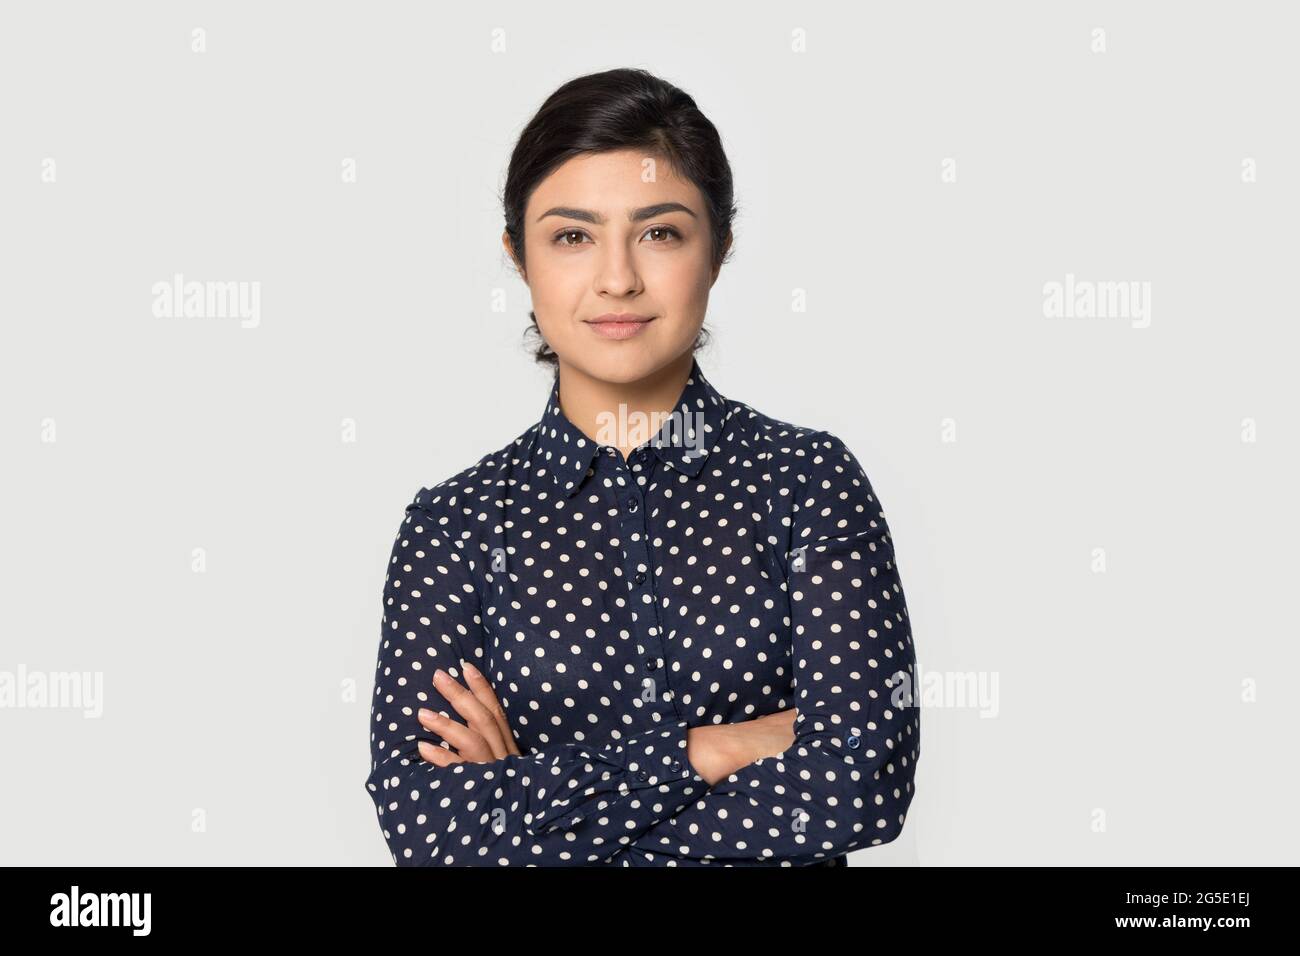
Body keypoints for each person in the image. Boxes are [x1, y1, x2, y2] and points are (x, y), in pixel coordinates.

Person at [364, 67, 919, 866]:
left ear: (719, 248)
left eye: (660, 232)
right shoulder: (455, 526)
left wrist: (527, 804)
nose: (618, 278)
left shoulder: (806, 483)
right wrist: (714, 751)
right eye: (572, 236)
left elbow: (858, 785)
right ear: (518, 257)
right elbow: (428, 827)